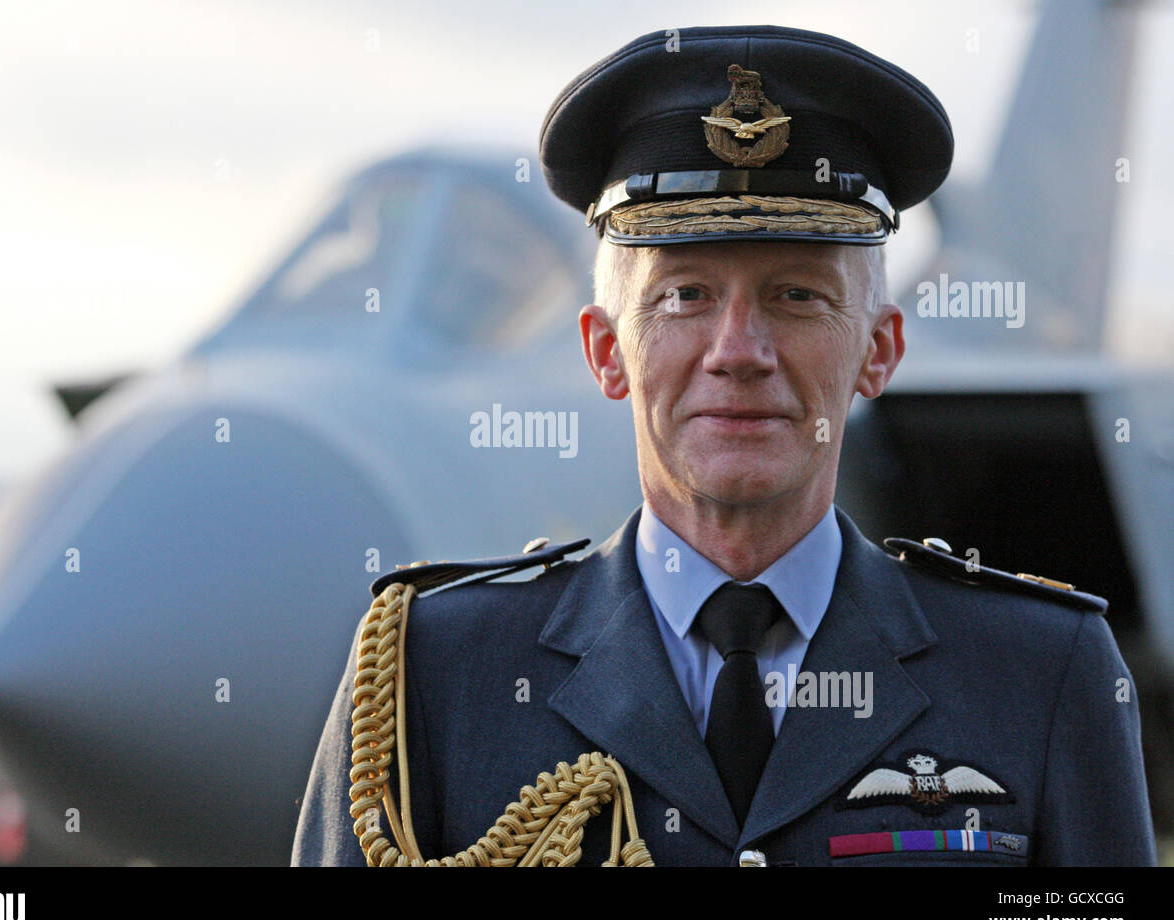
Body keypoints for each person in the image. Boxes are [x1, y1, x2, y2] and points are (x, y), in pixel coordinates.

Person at [292, 24, 1157, 866]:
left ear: (880, 350)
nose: (738, 352)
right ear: (605, 350)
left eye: (797, 296)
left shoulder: (1040, 678)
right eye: (684, 296)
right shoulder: (434, 684)